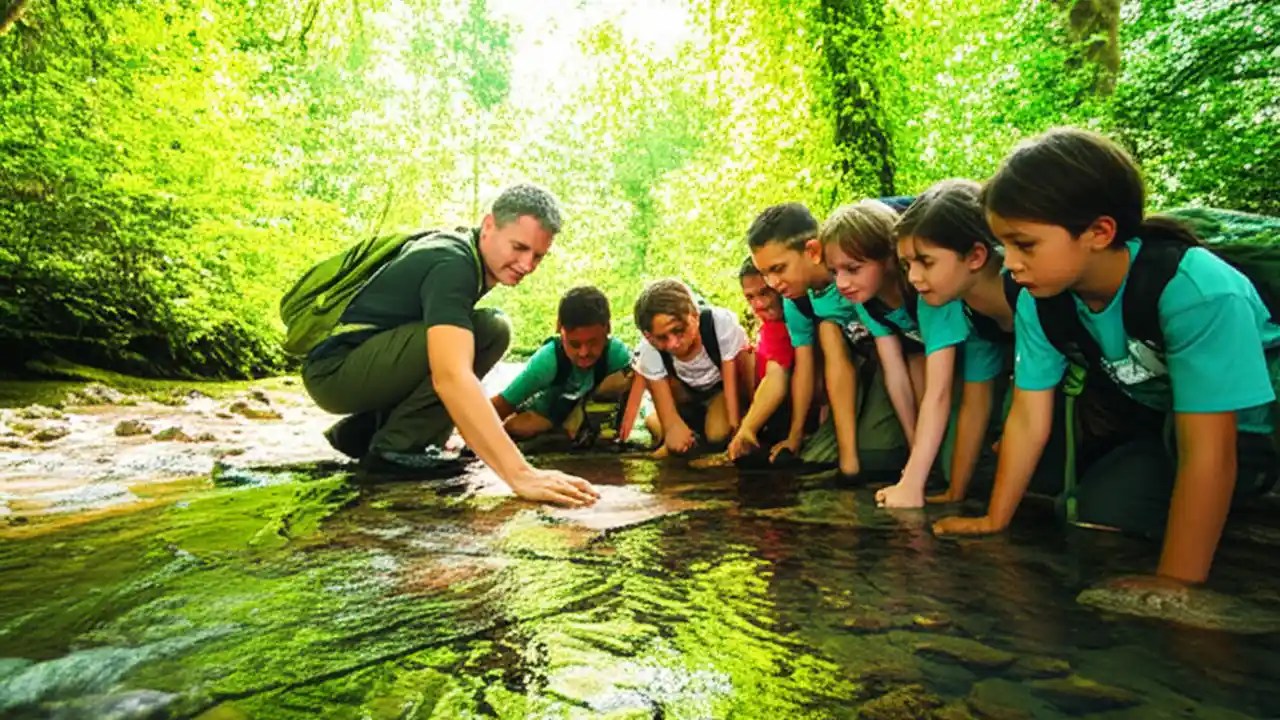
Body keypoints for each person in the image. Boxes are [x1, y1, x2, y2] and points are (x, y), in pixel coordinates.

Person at [934, 127, 1280, 585]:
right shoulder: (1042, 299)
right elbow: (1027, 418)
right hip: (1166, 429)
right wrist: (995, 520)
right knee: (1096, 513)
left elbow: (1211, 452)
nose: (1011, 264)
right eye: (1005, 246)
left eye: (1026, 245)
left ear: (1099, 232)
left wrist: (1173, 585)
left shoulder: (1196, 290)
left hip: (1254, 432)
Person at [300, 183, 599, 507]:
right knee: (488, 331)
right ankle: (396, 449)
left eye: (538, 256)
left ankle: (371, 430)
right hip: (334, 372)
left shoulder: (463, 251)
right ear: (488, 226)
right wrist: (521, 474)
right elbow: (451, 376)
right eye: (518, 247)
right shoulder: (454, 264)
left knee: (488, 329)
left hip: (358, 364)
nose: (527, 265)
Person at [824, 196, 1006, 508]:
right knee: (933, 460)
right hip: (940, 363)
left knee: (960, 460)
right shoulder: (867, 302)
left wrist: (913, 482)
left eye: (852, 269)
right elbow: (896, 374)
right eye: (834, 271)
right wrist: (914, 455)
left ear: (889, 258)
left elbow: (939, 392)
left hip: (985, 362)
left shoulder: (931, 295)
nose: (841, 283)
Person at [747, 203, 905, 479]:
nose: (772, 282)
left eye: (779, 268)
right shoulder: (797, 300)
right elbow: (808, 365)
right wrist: (796, 435)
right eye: (765, 273)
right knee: (815, 459)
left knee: (877, 456)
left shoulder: (857, 277)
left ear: (812, 251)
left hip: (899, 358)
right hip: (860, 364)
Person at [490, 285, 632, 442]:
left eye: (593, 343)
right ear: (559, 329)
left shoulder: (616, 355)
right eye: (575, 344)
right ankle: (565, 430)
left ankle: (581, 426)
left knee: (624, 378)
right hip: (552, 409)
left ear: (608, 329)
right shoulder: (548, 360)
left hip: (592, 406)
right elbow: (504, 403)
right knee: (519, 427)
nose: (584, 353)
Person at [632, 279, 750, 456]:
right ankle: (660, 423)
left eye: (678, 330)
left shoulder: (718, 325)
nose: (673, 343)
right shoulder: (649, 351)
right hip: (681, 396)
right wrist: (672, 436)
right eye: (662, 338)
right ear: (649, 337)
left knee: (719, 435)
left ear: (694, 316)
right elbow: (669, 418)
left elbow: (732, 382)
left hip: (718, 390)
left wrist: (736, 431)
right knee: (675, 443)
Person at [728, 257, 800, 463]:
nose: (759, 303)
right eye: (750, 297)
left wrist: (747, 428)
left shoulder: (789, 322)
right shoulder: (769, 326)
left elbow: (776, 378)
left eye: (765, 292)